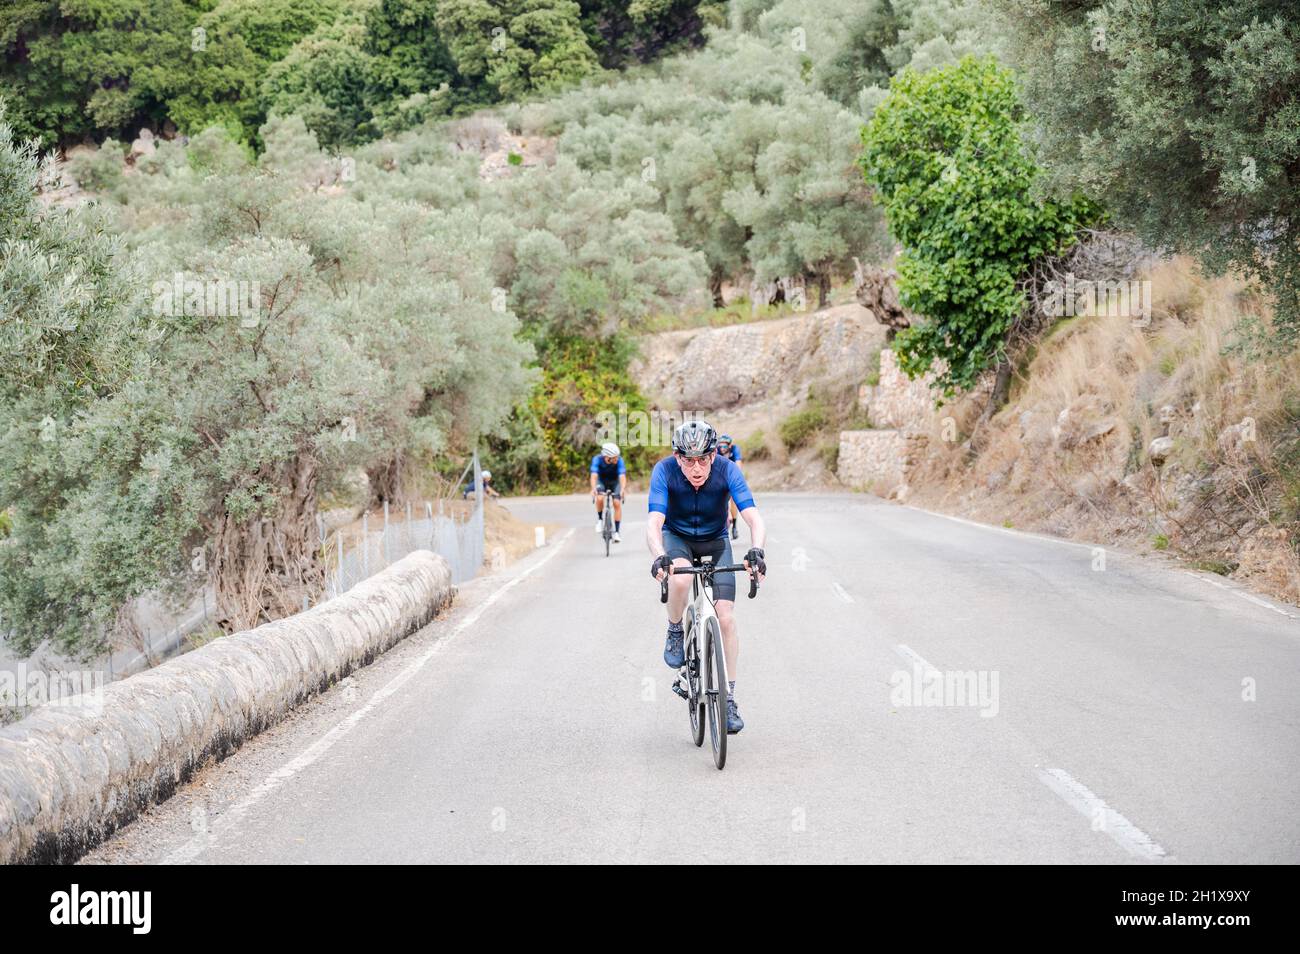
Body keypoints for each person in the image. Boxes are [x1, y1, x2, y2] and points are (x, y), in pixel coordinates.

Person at [647, 420, 766, 734]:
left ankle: (728, 699)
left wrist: (757, 550)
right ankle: (675, 629)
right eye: (688, 460)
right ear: (677, 457)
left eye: (703, 459)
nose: (696, 467)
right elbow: (654, 521)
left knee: (725, 617)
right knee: (682, 579)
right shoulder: (664, 471)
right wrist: (658, 553)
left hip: (716, 540)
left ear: (714, 456)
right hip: (678, 538)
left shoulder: (728, 470)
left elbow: (753, 516)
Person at [590, 441, 626, 543]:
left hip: (615, 482)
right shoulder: (597, 460)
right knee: (600, 497)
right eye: (615, 457)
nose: (617, 459)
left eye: (617, 457)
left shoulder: (619, 461)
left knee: (616, 503)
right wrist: (593, 488)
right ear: (607, 457)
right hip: (601, 481)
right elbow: (594, 476)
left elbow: (622, 476)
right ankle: (600, 520)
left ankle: (617, 532)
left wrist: (622, 489)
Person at [717, 434, 743, 540]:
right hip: (720, 476)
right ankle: (725, 520)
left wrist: (734, 479)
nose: (722, 448)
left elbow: (738, 465)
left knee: (733, 499)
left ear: (730, 446)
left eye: (725, 446)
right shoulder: (717, 451)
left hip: (732, 476)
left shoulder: (735, 449)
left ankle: (735, 527)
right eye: (721, 446)